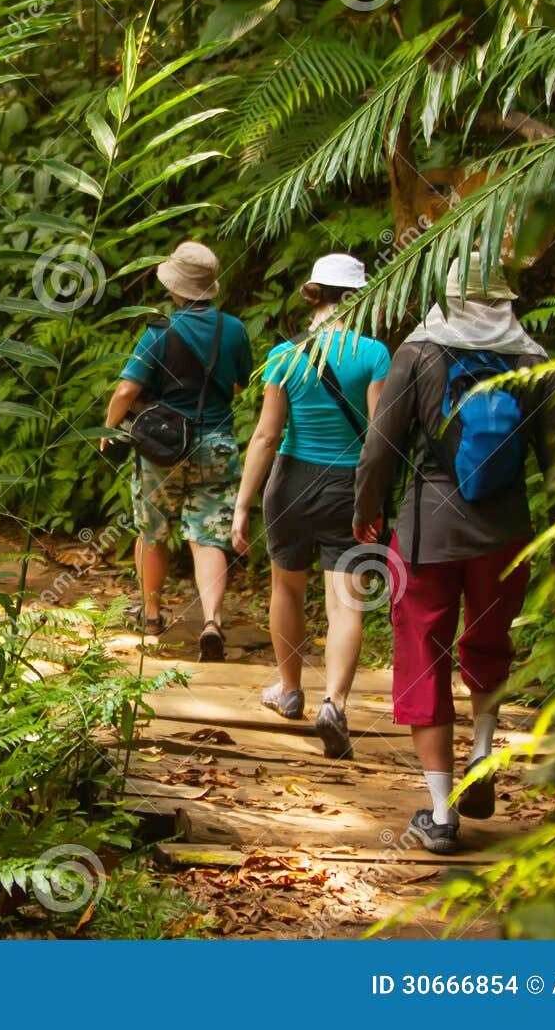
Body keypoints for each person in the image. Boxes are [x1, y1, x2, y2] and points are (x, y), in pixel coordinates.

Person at [353, 257, 555, 853]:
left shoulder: (416, 353)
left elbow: (380, 447)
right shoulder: (534, 360)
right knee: (489, 641)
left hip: (427, 533)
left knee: (423, 653)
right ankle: (482, 752)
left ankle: (441, 814)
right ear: (505, 300)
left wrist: (367, 507)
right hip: (506, 534)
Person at [230, 253, 391, 759]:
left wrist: (241, 505)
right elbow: (378, 438)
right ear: (358, 297)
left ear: (312, 293)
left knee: (288, 585)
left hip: (291, 481)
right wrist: (376, 498)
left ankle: (290, 689)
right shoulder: (373, 354)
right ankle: (335, 705)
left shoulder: (284, 354)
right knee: (346, 601)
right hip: (349, 487)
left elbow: (266, 434)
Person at [100, 242, 251, 660]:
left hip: (162, 448)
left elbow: (128, 388)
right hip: (218, 445)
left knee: (152, 530)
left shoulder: (159, 331)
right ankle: (211, 622)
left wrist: (108, 427)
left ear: (176, 288)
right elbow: (239, 386)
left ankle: (150, 616)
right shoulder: (234, 329)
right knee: (208, 538)